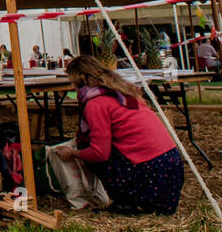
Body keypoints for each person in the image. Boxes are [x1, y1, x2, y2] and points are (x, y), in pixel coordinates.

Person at [53, 55, 184, 214]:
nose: (72, 87)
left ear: (80, 81)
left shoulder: (95, 103)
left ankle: (128, 201)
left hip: (152, 174)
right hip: (171, 169)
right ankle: (133, 201)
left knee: (89, 147)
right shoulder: (121, 91)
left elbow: (99, 153)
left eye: (72, 82)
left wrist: (74, 153)